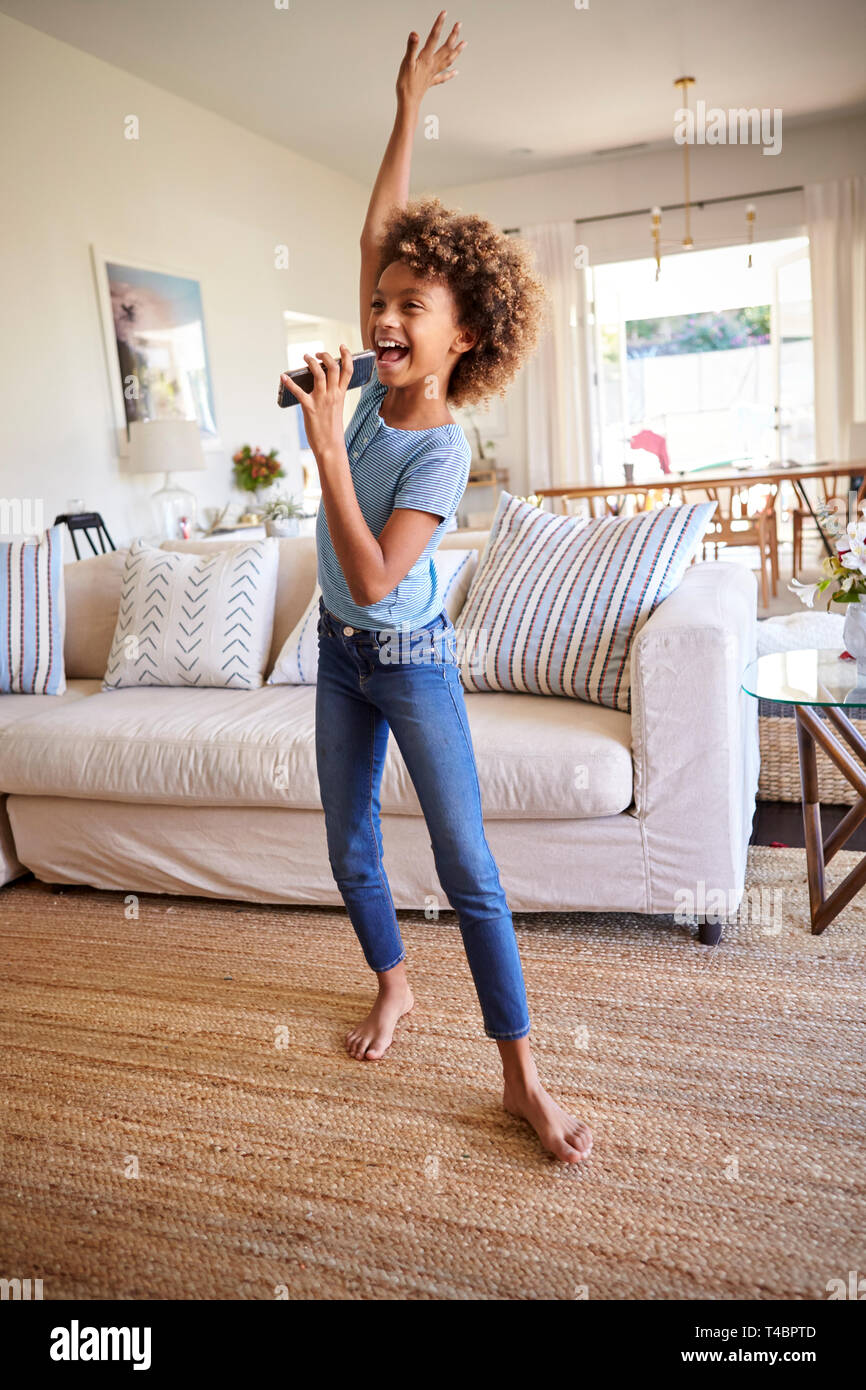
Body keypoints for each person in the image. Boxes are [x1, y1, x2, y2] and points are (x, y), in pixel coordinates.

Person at [279, 11, 593, 1164]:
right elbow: (377, 229)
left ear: (462, 338)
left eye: (413, 306)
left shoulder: (437, 445)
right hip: (337, 650)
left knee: (466, 868)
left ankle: (519, 1074)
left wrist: (322, 450)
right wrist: (408, 107)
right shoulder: (363, 384)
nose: (384, 315)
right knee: (348, 846)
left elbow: (373, 567)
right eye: (383, 300)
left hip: (408, 663)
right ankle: (392, 986)